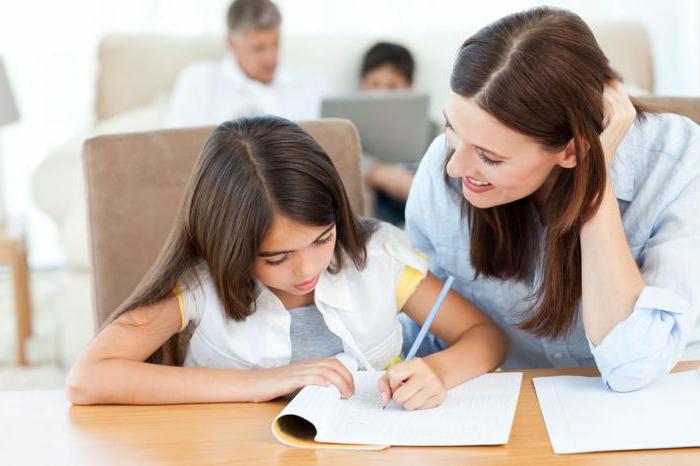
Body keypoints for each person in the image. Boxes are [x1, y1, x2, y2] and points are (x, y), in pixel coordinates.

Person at [66, 116, 508, 408]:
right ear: (229, 247)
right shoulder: (199, 284)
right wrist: (264, 383)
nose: (306, 271)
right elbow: (88, 378)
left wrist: (438, 371)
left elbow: (486, 335)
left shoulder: (375, 258)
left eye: (322, 239)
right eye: (276, 258)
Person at [404, 7, 700, 392]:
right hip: (512, 406)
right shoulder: (442, 167)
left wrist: (595, 176)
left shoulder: (679, 163)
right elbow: (425, 328)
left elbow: (633, 368)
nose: (454, 168)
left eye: (490, 157)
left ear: (570, 151)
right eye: (451, 129)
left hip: (655, 404)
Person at [163, 0, 328, 128]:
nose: (271, 58)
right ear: (231, 44)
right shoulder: (199, 81)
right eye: (258, 48)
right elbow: (177, 147)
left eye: (275, 44)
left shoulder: (312, 82)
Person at [359, 42, 422, 225]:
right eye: (375, 84)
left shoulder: (427, 124)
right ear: (363, 84)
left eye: (392, 86)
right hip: (375, 198)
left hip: (412, 188)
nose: (382, 93)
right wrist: (378, 173)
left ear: (410, 87)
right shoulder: (348, 126)